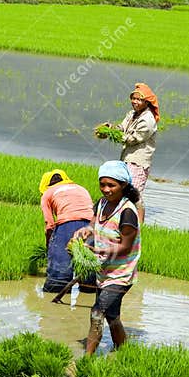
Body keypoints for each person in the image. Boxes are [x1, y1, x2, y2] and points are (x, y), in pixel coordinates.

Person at [73, 160, 142, 356]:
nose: (106, 189)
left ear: (124, 185)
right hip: (104, 271)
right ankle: (123, 352)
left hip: (121, 274)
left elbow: (126, 247)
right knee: (112, 316)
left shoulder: (127, 212)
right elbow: (92, 225)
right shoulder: (102, 204)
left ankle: (87, 359)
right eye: (102, 184)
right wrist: (84, 232)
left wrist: (96, 253)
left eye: (111, 185)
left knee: (97, 312)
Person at [101, 82, 159, 222]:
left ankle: (139, 223)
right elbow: (122, 127)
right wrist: (111, 128)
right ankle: (121, 220)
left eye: (139, 99)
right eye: (134, 98)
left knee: (134, 194)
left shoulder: (148, 120)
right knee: (123, 191)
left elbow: (134, 139)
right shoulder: (132, 114)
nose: (135, 102)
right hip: (126, 159)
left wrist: (114, 135)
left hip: (138, 162)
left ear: (147, 102)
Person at [39, 169, 95, 292]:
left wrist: (50, 246)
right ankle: (88, 291)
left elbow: (49, 225)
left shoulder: (47, 194)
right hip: (90, 227)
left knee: (59, 277)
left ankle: (55, 297)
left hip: (66, 225)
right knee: (88, 271)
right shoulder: (81, 188)